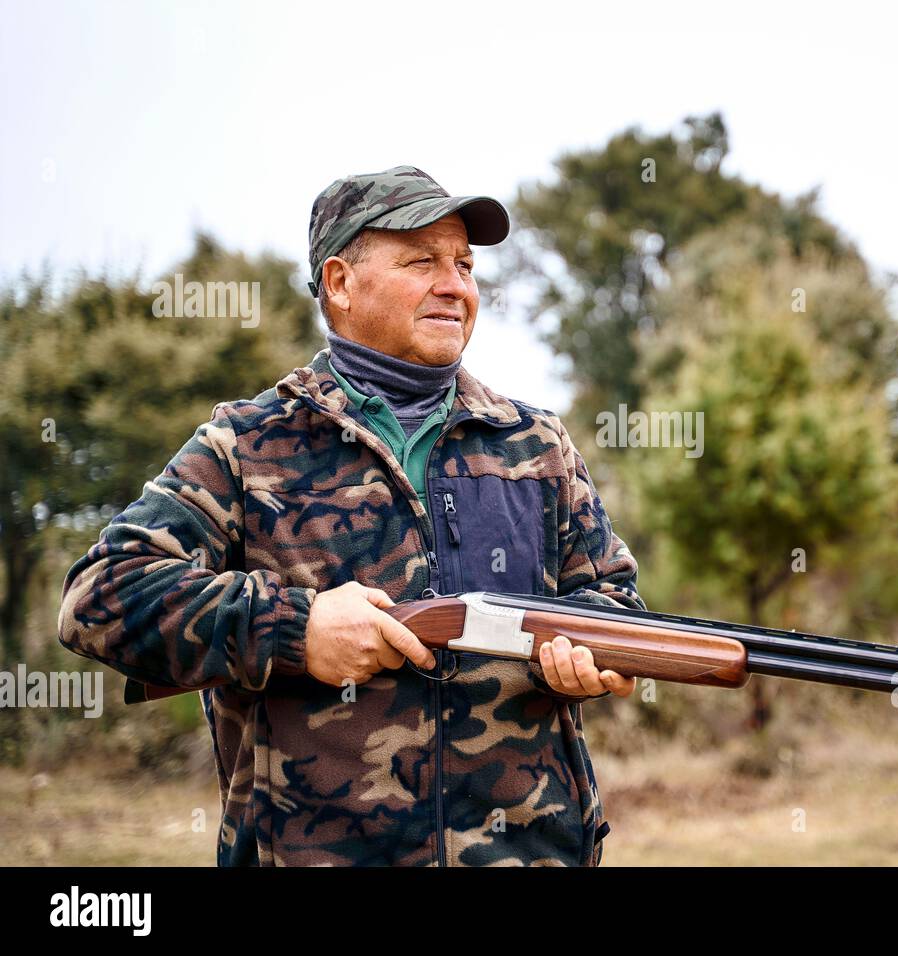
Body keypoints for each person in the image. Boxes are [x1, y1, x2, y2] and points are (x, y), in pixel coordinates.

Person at [58, 165, 643, 866]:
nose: (455, 285)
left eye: (463, 264)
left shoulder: (536, 443)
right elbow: (99, 598)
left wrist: (584, 660)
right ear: (339, 282)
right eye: (421, 261)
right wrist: (296, 630)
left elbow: (616, 606)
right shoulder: (248, 445)